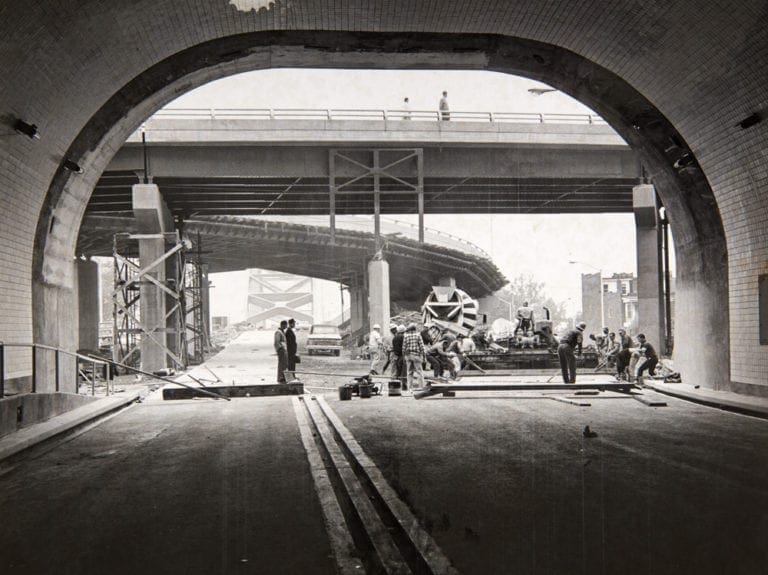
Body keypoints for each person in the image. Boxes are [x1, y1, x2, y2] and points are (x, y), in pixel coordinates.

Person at [402, 323, 426, 390]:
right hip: (416, 356)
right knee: (419, 372)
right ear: (415, 329)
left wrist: (404, 356)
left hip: (408, 355)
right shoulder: (418, 336)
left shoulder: (406, 336)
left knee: (409, 372)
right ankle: (421, 387)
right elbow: (422, 347)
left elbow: (403, 348)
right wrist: (424, 356)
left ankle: (410, 387)